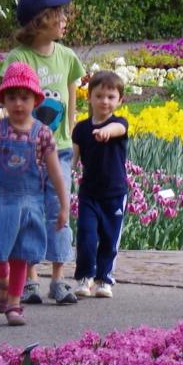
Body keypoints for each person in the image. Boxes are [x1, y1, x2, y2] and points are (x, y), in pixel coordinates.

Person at [3, 0, 83, 304]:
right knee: (29, 213)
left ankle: (59, 279)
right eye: (58, 15)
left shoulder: (67, 57)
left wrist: (72, 134)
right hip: (27, 150)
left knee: (59, 211)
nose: (64, 20)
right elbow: (12, 101)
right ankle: (31, 279)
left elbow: (71, 95)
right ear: (40, 22)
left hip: (59, 148)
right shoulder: (19, 58)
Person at [0, 63, 69, 326]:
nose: (18, 104)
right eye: (12, 97)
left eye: (25, 98)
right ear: (3, 99)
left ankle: (14, 304)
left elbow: (56, 173)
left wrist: (64, 206)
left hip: (30, 204)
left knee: (20, 255)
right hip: (0, 201)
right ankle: (3, 279)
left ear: (36, 100)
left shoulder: (43, 134)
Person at [71, 71, 129, 298]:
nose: (104, 101)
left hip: (114, 193)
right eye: (99, 96)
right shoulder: (81, 129)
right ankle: (85, 277)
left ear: (119, 100)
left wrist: (106, 131)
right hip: (89, 193)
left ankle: (104, 279)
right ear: (89, 97)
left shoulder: (119, 124)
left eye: (111, 97)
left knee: (109, 238)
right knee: (86, 235)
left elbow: (119, 130)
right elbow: (73, 158)